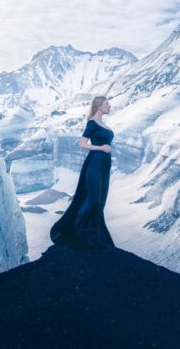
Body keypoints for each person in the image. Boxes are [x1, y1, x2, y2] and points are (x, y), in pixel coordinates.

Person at [49, 95, 115, 248]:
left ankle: (94, 234)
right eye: (107, 103)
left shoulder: (103, 124)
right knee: (92, 199)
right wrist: (100, 148)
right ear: (99, 106)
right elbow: (82, 143)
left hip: (105, 164)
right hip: (95, 163)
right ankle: (80, 234)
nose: (109, 106)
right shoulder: (92, 123)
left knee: (100, 200)